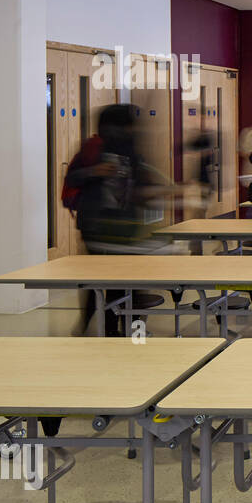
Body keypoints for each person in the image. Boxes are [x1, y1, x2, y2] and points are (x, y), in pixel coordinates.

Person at [64, 103, 164, 338]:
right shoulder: (93, 148)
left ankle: (113, 327)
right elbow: (72, 177)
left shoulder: (131, 148)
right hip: (97, 226)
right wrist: (95, 171)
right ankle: (106, 326)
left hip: (122, 226)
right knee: (104, 278)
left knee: (117, 279)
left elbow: (140, 184)